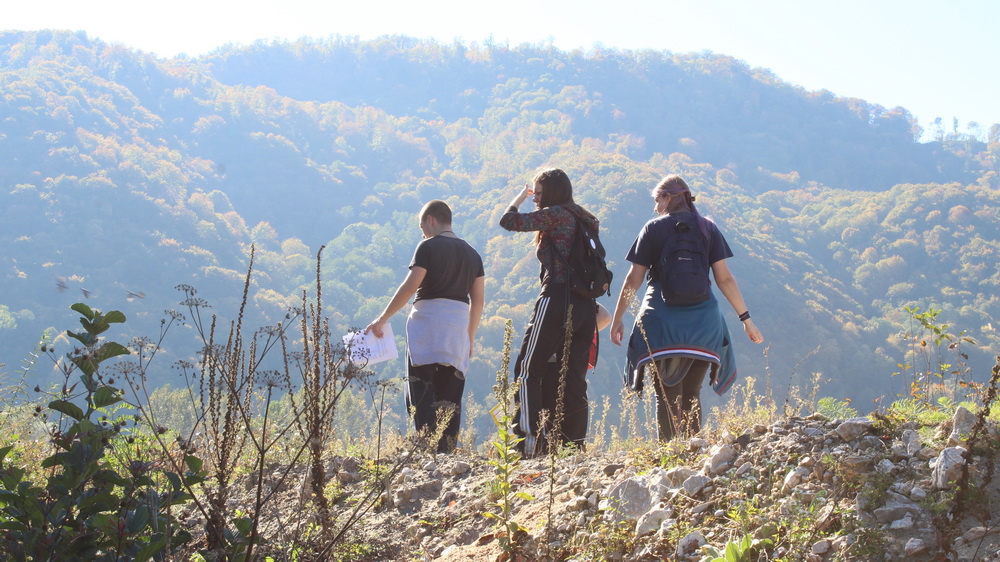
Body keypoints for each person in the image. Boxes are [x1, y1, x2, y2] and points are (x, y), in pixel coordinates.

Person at [610, 175, 763, 441]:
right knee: (691, 393)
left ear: (668, 197)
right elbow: (724, 278)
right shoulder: (708, 229)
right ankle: (693, 454)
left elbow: (634, 278)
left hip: (660, 323)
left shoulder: (653, 228)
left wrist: (618, 319)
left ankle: (669, 456)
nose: (655, 207)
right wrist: (745, 319)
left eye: (656, 200)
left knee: (666, 396)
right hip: (704, 325)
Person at [365, 200, 485, 453]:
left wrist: (382, 318)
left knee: (422, 392)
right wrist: (470, 338)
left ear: (430, 220)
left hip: (427, 328)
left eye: (422, 226)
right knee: (450, 396)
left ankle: (426, 449)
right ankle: (448, 450)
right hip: (457, 330)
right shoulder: (474, 254)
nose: (423, 232)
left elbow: (410, 287)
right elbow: (478, 301)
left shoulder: (428, 247)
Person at [499, 168, 600, 457]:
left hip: (556, 297)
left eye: (539, 193)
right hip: (586, 306)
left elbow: (509, 221)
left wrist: (518, 197)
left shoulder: (556, 214)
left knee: (528, 369)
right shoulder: (586, 217)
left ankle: (529, 444)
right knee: (574, 376)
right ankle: (572, 447)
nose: (536, 199)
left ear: (552, 193)